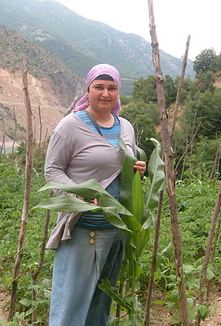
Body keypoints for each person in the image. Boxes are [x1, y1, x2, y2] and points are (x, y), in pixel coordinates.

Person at [44, 64, 146, 326]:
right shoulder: (70, 125)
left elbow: (124, 168)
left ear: (118, 92)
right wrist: (78, 199)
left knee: (100, 306)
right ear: (87, 90)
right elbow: (52, 170)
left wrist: (139, 170)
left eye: (112, 88)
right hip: (83, 231)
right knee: (70, 308)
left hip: (116, 232)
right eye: (98, 87)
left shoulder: (125, 127)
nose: (105, 93)